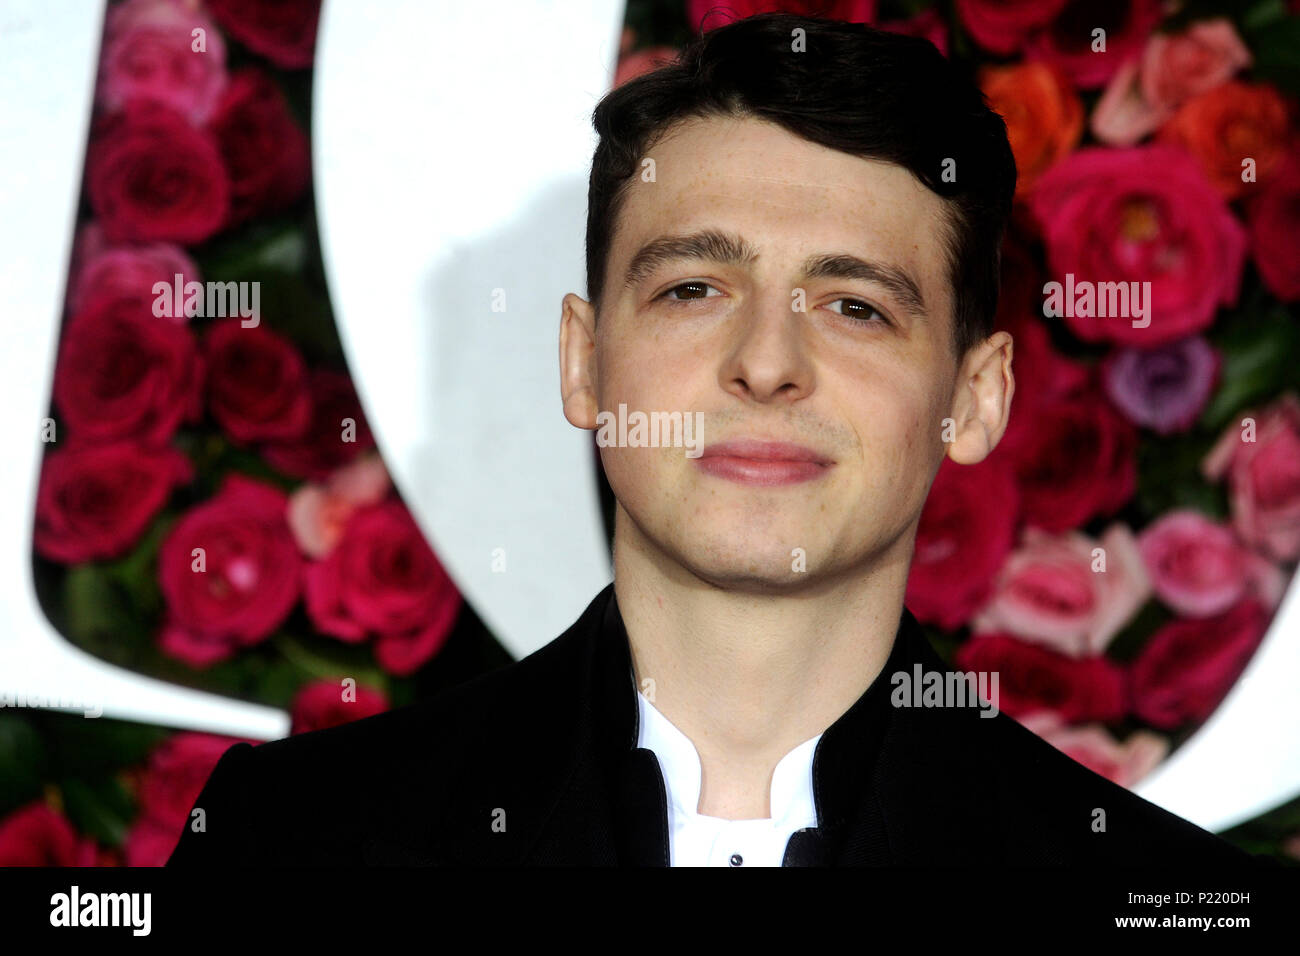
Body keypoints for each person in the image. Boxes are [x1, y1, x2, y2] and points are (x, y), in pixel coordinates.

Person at [168, 13, 1253, 867]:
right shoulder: (291, 844)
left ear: (974, 399)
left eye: (855, 306)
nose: (767, 361)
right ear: (584, 364)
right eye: (695, 287)